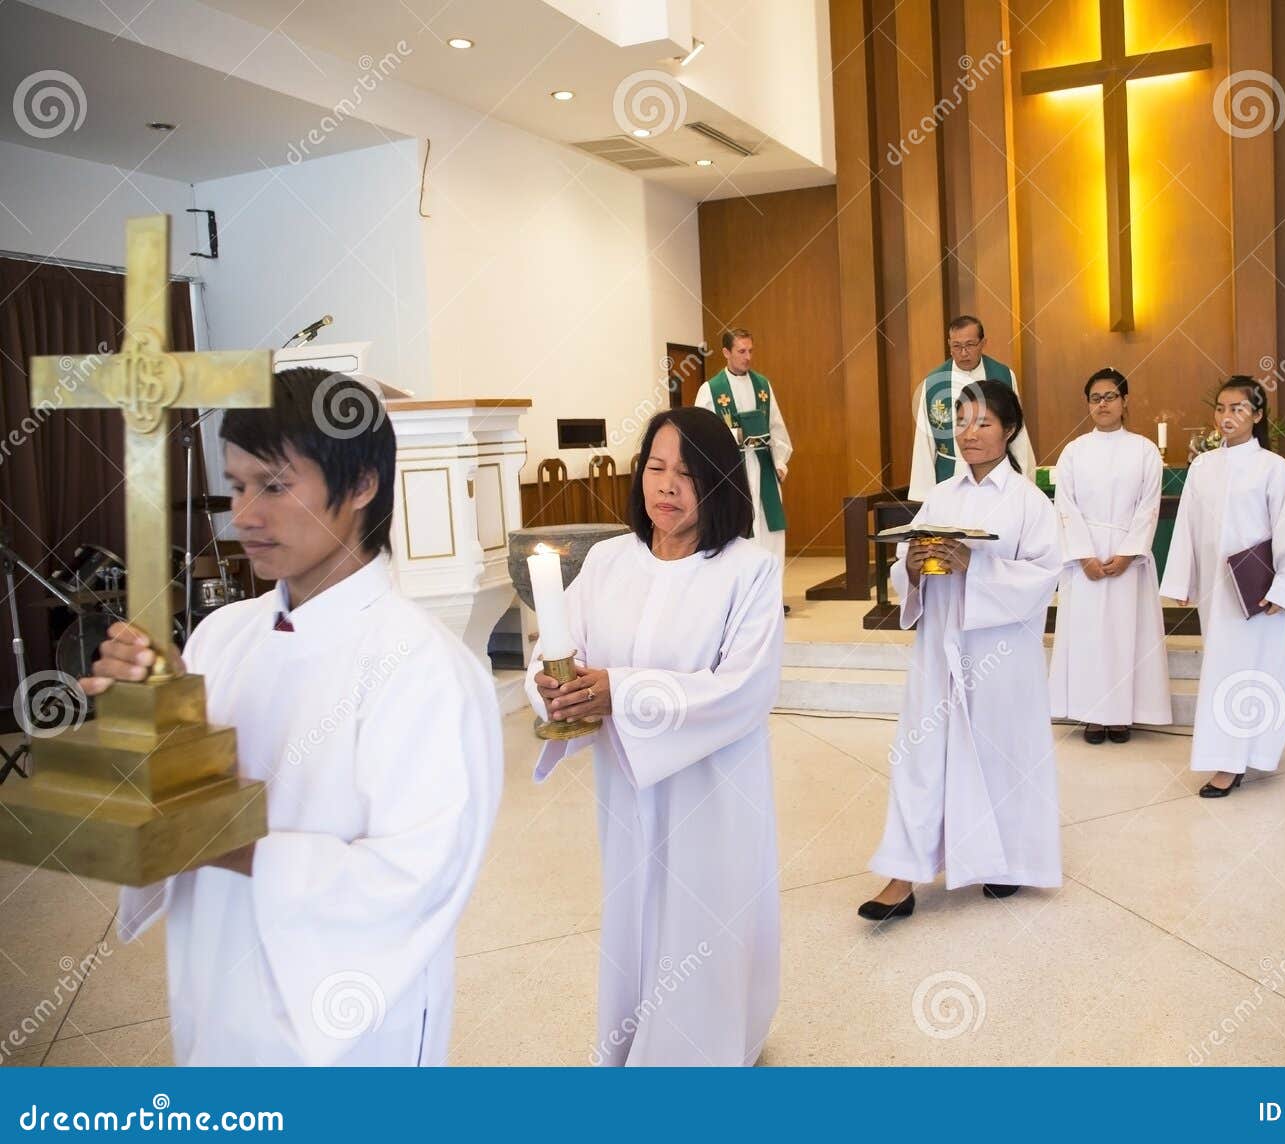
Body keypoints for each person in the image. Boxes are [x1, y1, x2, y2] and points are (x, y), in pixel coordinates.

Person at [85, 367, 503, 1065]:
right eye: (236, 485)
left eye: (274, 486)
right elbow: (166, 797)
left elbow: (415, 879)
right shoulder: (221, 635)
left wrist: (220, 838)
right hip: (214, 985)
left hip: (341, 1024)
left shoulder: (426, 668)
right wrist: (152, 715)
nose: (244, 515)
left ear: (362, 484)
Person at [528, 406, 783, 1065]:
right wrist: (553, 687)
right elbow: (558, 647)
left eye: (687, 473)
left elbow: (745, 687)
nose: (667, 485)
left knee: (703, 913)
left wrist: (622, 691)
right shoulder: (609, 560)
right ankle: (632, 1041)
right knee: (637, 908)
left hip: (714, 788)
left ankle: (701, 1053)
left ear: (719, 481)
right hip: (627, 783)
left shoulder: (747, 569)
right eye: (656, 467)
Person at [859, 380, 1062, 921]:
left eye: (983, 423)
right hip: (939, 643)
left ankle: (1005, 860)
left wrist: (975, 566)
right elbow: (910, 568)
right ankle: (901, 876)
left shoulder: (1029, 502)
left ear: (1009, 429)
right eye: (961, 422)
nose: (969, 434)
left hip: (999, 651)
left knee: (999, 753)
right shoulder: (941, 496)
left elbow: (1044, 577)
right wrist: (910, 568)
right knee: (922, 753)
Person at [1159, 375, 1285, 798]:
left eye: (1238, 408)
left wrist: (1284, 589)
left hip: (1257, 591)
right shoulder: (1203, 466)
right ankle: (1231, 756)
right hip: (1217, 591)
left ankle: (1242, 758)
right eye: (1221, 408)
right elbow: (1187, 526)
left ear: (1257, 415)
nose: (1227, 416)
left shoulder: (1272, 467)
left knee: (1257, 671)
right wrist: (1184, 579)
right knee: (1223, 671)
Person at [1048, 368, 1172, 743]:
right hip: (1084, 559)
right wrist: (1084, 556)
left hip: (1127, 558)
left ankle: (1122, 715)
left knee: (1124, 635)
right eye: (1095, 398)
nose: (1102, 404)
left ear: (1124, 401)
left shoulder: (1144, 450)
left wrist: (1128, 554)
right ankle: (1092, 715)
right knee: (1088, 637)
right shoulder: (1074, 451)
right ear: (1088, 404)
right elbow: (1065, 505)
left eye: (1110, 397)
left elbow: (1149, 506)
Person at [908, 315, 1037, 500]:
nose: (963, 353)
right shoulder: (934, 383)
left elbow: (1017, 431)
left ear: (983, 343)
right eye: (956, 346)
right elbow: (924, 441)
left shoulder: (1003, 376)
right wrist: (923, 496)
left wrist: (1024, 481)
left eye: (970, 345)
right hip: (950, 476)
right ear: (949, 344)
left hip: (996, 474)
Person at [695, 328, 791, 562]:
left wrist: (780, 463)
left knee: (769, 533)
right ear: (726, 352)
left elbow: (776, 426)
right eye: (741, 351)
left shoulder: (763, 385)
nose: (748, 357)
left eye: (750, 351)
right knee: (739, 530)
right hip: (731, 469)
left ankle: (771, 585)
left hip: (764, 467)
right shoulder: (711, 390)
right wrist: (736, 434)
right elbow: (700, 434)